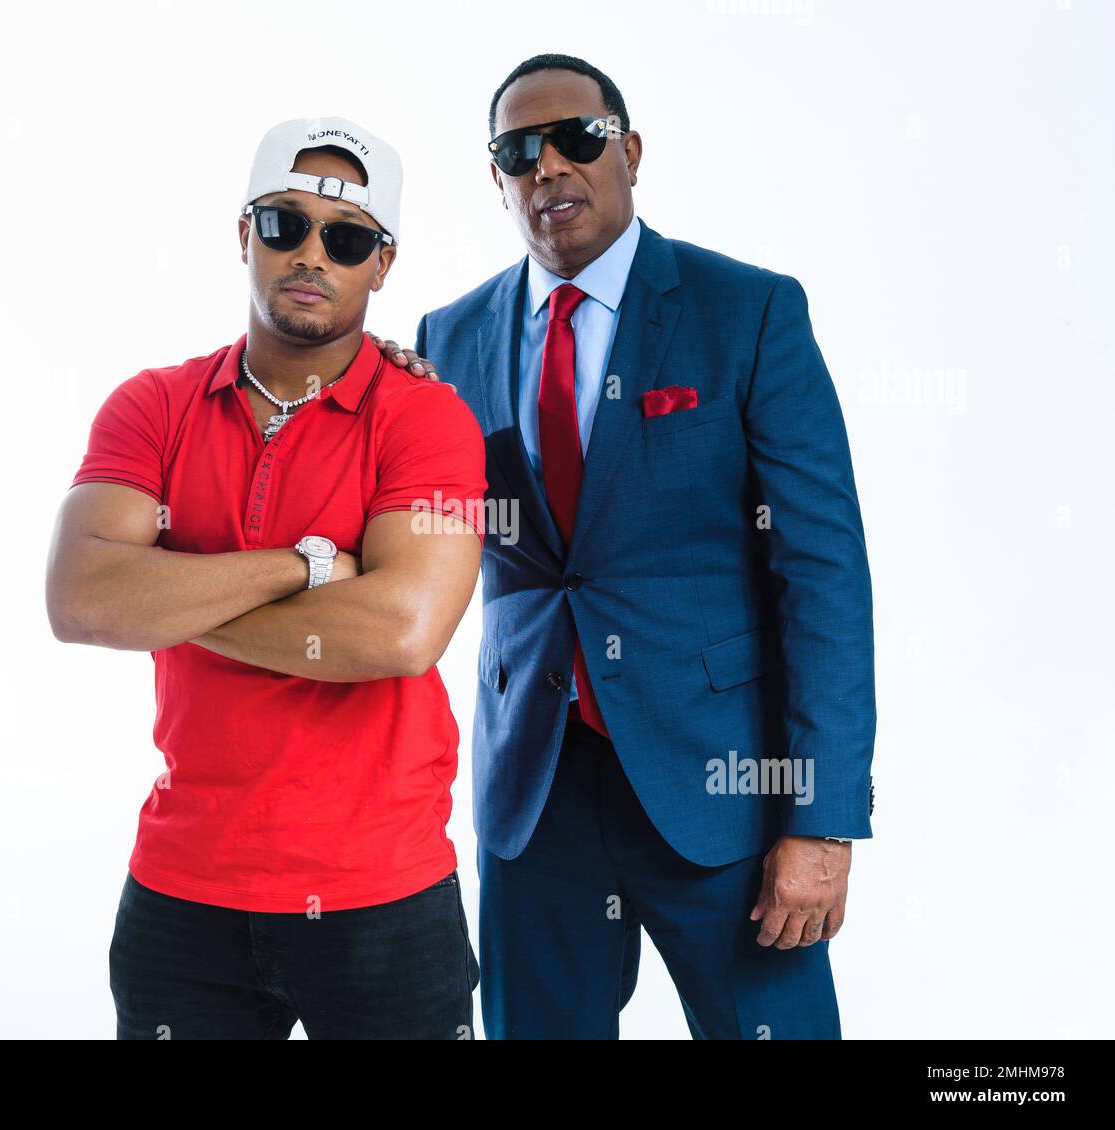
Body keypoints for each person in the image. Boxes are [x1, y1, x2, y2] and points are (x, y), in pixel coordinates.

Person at [375, 54, 876, 1039]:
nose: (549, 165)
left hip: (720, 785)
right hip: (536, 788)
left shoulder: (748, 310)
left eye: (578, 138)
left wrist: (819, 818)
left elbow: (823, 571)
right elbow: (425, 541)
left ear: (630, 151)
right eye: (519, 151)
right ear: (497, 179)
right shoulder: (448, 335)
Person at [46, 116, 485, 1040]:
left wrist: (161, 594)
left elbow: (401, 632)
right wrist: (308, 566)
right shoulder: (153, 405)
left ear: (383, 264)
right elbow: (81, 601)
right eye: (284, 224)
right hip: (184, 894)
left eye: (347, 237)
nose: (311, 254)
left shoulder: (427, 419)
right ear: (245, 234)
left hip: (383, 897)